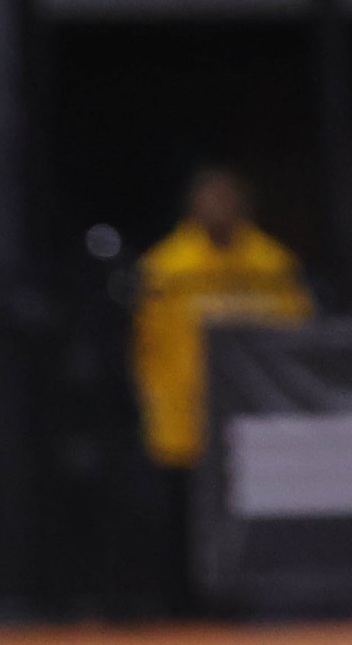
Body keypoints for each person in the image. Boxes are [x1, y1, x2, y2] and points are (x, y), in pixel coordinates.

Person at [130, 166, 313, 610]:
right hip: (187, 412)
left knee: (259, 514)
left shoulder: (271, 263)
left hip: (253, 419)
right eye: (208, 200)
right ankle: (183, 606)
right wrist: (156, 398)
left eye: (225, 199)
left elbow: (298, 336)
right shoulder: (167, 266)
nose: (217, 209)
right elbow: (148, 343)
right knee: (184, 517)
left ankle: (258, 603)